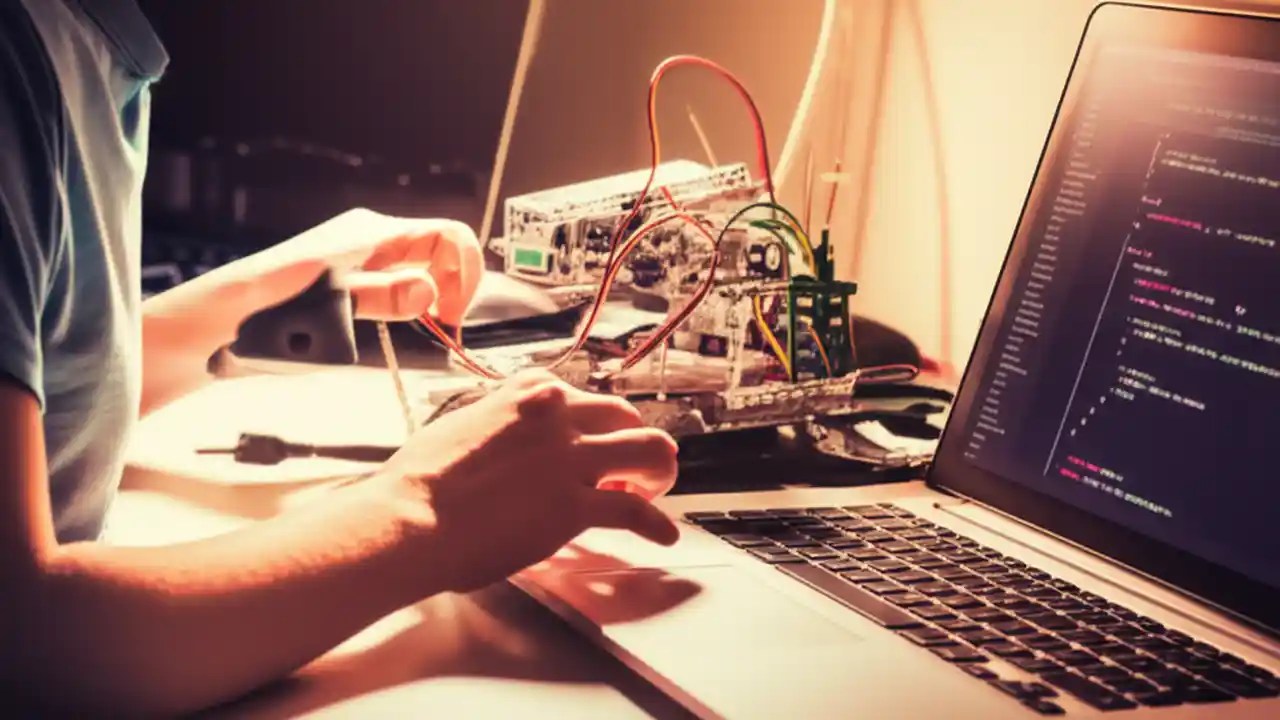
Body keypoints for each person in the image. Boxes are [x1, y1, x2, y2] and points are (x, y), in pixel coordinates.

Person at [0, 1, 680, 714]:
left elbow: (51, 387)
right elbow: (26, 640)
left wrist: (256, 298)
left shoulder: (82, 39)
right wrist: (425, 511)